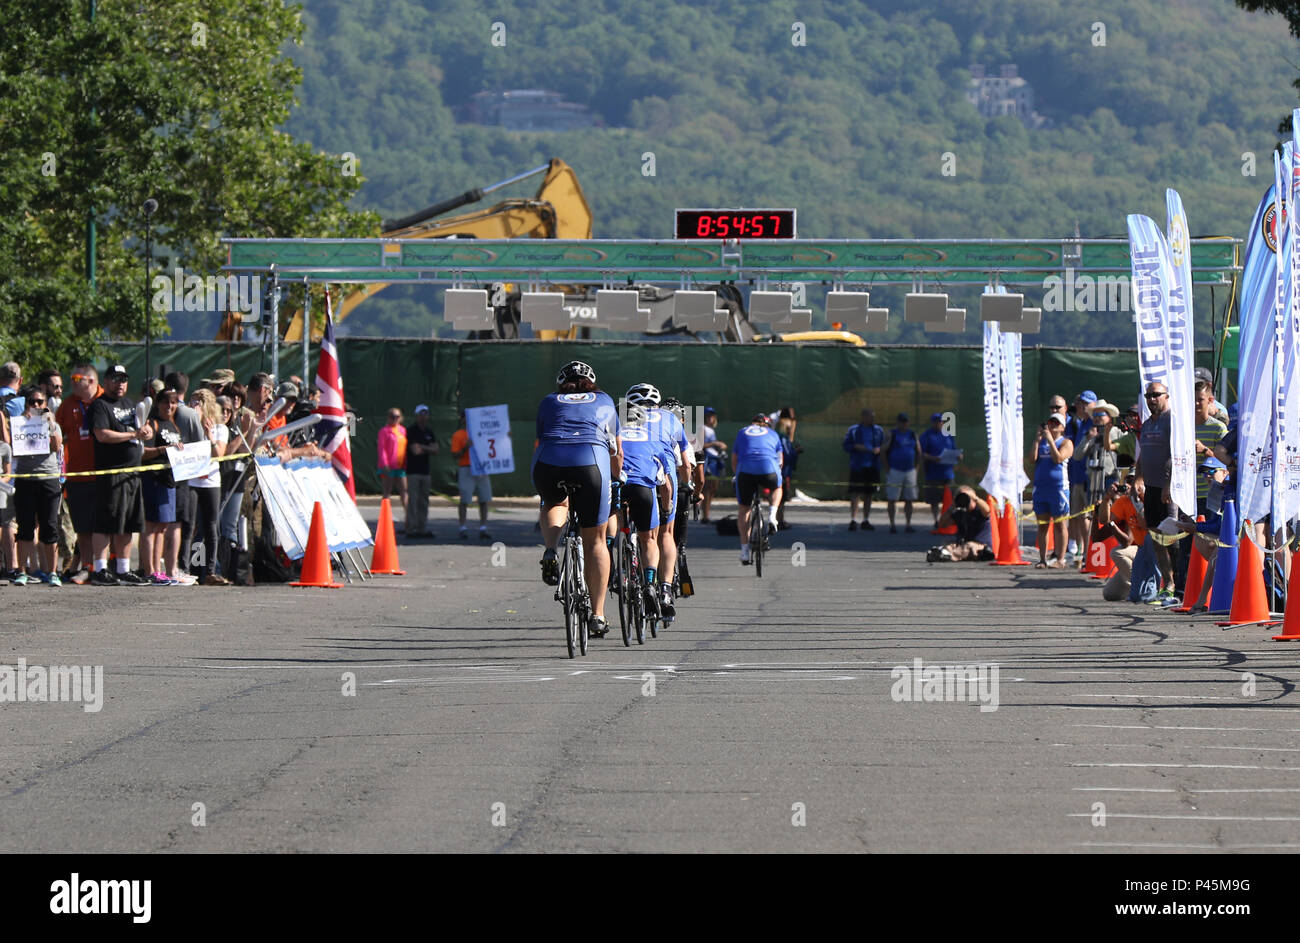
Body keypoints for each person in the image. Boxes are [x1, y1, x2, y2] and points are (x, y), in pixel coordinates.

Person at [531, 361, 621, 638]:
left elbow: (541, 438)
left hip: (548, 462)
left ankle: (550, 549)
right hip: (590, 461)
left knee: (555, 503)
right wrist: (617, 479)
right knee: (596, 540)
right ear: (591, 383)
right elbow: (616, 450)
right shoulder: (605, 400)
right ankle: (598, 614)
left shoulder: (549, 401)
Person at [88, 364, 149, 585]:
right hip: (110, 472)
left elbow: (143, 427)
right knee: (105, 523)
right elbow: (102, 435)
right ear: (105, 381)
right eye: (115, 379)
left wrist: (147, 430)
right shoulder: (100, 406)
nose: (120, 383)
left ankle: (123, 569)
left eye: (123, 379)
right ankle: (100, 569)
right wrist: (133, 433)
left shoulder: (130, 404)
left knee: (128, 524)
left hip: (132, 472)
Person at [11, 385, 64, 584]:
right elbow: (13, 447)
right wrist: (22, 422)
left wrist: (49, 422)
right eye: (31, 402)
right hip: (26, 479)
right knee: (25, 527)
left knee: (49, 527)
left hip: (48, 479)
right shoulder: (19, 424)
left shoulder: (52, 423)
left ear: (45, 404)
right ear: (26, 404)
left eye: (39, 402)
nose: (35, 405)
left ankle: (52, 572)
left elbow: (56, 446)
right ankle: (23, 571)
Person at [615, 402, 664, 611]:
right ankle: (651, 581)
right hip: (644, 490)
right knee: (649, 539)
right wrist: (668, 505)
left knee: (602, 533)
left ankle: (612, 565)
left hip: (618, 487)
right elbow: (665, 479)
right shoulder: (653, 437)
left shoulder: (611, 435)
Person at [55, 364, 99, 582]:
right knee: (83, 528)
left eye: (76, 377)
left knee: (105, 526)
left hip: (104, 474)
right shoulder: (67, 405)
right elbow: (56, 434)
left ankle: (106, 567)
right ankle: (87, 567)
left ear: (90, 380)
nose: (71, 382)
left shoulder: (104, 400)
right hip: (77, 476)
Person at [1133, 381, 1176, 604]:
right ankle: (1167, 584)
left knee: (1172, 538)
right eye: (1148, 396)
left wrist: (1169, 484)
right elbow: (1142, 455)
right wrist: (1138, 477)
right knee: (1157, 539)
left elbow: (1176, 454)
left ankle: (1178, 585)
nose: (1151, 399)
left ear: (1166, 396)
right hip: (1151, 489)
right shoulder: (1148, 424)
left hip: (1168, 491)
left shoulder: (1172, 421)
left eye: (1156, 395)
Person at [139, 389, 183, 584]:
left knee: (162, 527)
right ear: (158, 404)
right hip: (153, 479)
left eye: (173, 403)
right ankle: (150, 570)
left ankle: (159, 569)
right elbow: (143, 452)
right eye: (165, 402)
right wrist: (162, 450)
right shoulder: (152, 424)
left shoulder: (174, 425)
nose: (169, 406)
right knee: (151, 526)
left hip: (169, 481)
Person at [188, 388, 230, 585]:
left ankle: (210, 570)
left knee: (211, 526)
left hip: (211, 482)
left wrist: (209, 434)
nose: (193, 407)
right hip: (192, 480)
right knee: (193, 527)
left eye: (196, 403)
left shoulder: (221, 428)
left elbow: (218, 454)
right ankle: (193, 568)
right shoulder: (188, 426)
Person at [166, 371, 204, 578]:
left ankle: (167, 566)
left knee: (165, 524)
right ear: (185, 389)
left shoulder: (161, 411)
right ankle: (182, 566)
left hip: (164, 473)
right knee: (184, 523)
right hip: (185, 475)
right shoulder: (189, 414)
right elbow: (199, 444)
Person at [732, 412, 783, 565]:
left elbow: (735, 459)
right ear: (766, 424)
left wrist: (736, 475)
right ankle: (773, 515)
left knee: (744, 509)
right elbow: (780, 461)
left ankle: (744, 551)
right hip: (768, 468)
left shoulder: (742, 432)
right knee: (777, 487)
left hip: (746, 470)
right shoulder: (773, 433)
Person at [1031, 412, 1073, 568]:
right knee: (1042, 525)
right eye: (1051, 422)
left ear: (1062, 427)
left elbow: (1058, 459)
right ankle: (1042, 559)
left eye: (1057, 423)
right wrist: (1037, 440)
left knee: (1060, 524)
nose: (1053, 426)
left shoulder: (1066, 442)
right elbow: (1032, 459)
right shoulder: (1041, 441)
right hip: (1041, 488)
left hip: (1058, 489)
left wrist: (1050, 441)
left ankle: (1060, 559)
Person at [1064, 390, 1098, 561]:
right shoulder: (1082, 423)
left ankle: (1088, 553)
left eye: (1086, 403)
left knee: (1086, 516)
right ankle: (1081, 551)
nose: (1083, 406)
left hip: (1088, 478)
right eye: (1081, 403)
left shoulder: (1095, 423)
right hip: (1076, 477)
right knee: (1077, 515)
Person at [451, 411, 492, 539]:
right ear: (462, 419)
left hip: (481, 468)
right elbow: (454, 455)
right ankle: (462, 527)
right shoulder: (458, 435)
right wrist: (465, 447)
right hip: (466, 468)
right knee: (464, 499)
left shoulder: (481, 433)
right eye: (465, 418)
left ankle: (483, 527)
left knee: (484, 499)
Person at [925, 486, 994, 561]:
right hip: (963, 545)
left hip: (981, 546)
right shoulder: (960, 513)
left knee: (969, 546)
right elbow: (942, 524)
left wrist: (975, 497)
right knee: (950, 546)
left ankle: (947, 555)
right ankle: (941, 553)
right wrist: (952, 506)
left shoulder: (979, 511)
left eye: (967, 498)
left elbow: (987, 511)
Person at [843, 408, 883, 531]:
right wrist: (856, 447)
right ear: (863, 417)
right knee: (856, 493)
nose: (872, 419)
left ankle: (866, 519)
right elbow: (846, 445)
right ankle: (853, 519)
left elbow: (883, 445)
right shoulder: (854, 430)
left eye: (873, 417)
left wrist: (879, 450)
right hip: (858, 466)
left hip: (872, 466)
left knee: (868, 494)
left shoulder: (878, 430)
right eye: (870, 416)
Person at [404, 404, 440, 539]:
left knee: (424, 501)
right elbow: (415, 450)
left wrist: (423, 447)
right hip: (413, 471)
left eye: (426, 414)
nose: (423, 416)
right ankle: (411, 529)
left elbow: (436, 449)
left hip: (425, 471)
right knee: (413, 500)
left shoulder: (429, 432)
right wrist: (427, 448)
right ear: (417, 415)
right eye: (421, 414)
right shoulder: (411, 430)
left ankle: (421, 528)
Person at [882, 412, 920, 533]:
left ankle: (908, 524)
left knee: (909, 499)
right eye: (902, 421)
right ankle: (892, 524)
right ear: (898, 422)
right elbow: (883, 451)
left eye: (906, 421)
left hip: (909, 470)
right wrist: (887, 468)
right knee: (892, 498)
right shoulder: (892, 434)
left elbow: (919, 452)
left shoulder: (913, 435)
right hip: (895, 470)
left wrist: (917, 468)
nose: (904, 424)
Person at [919, 412, 957, 526]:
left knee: (951, 497)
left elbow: (954, 450)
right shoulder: (926, 436)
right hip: (933, 473)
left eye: (940, 421)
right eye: (935, 421)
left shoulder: (948, 435)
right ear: (932, 422)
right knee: (934, 499)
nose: (938, 423)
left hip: (948, 473)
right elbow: (922, 454)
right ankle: (936, 520)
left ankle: (949, 520)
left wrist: (958, 455)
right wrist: (934, 458)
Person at [377, 406, 409, 521]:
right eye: (392, 417)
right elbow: (382, 449)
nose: (395, 419)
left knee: (404, 491)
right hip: (388, 467)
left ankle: (409, 515)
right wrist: (385, 464)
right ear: (388, 418)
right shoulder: (384, 431)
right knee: (387, 492)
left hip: (401, 467)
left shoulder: (403, 431)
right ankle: (385, 516)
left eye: (397, 417)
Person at [774, 406, 802, 529]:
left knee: (781, 495)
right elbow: (787, 456)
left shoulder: (782, 439)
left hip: (783, 470)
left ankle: (778, 518)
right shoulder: (782, 438)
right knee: (781, 495)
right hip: (782, 471)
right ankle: (777, 519)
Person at [699, 407, 727, 523]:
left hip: (714, 461)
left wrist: (720, 446)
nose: (710, 417)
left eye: (712, 415)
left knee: (713, 488)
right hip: (707, 461)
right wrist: (715, 443)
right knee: (707, 488)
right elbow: (700, 445)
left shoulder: (711, 430)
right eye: (708, 415)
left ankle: (707, 513)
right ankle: (705, 516)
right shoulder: (703, 428)